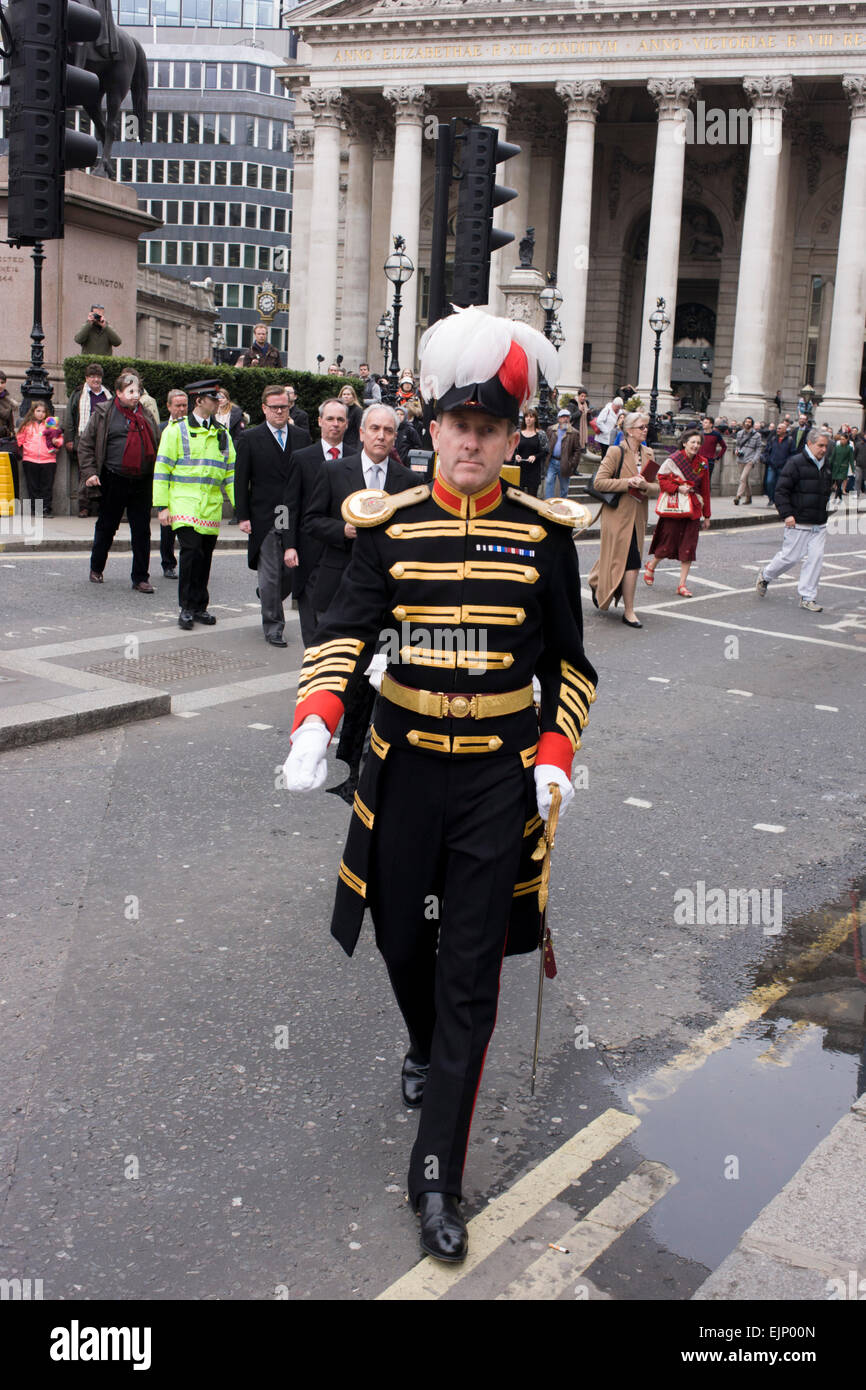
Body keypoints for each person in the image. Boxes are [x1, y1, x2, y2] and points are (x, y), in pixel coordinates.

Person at [282, 306, 598, 1264]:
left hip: (499, 781)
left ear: (512, 438)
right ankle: (422, 1041)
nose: (473, 441)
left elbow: (574, 669)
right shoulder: (391, 526)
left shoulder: (545, 537)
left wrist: (554, 752)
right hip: (407, 767)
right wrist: (315, 719)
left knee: (469, 977)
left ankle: (436, 1177)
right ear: (435, 427)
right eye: (460, 425)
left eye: (492, 429)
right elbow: (343, 629)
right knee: (398, 937)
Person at [300, 403, 416, 800]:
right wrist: (344, 530)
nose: (382, 436)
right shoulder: (334, 471)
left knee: (381, 683)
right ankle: (343, 763)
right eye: (375, 429)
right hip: (341, 591)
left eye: (389, 430)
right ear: (361, 433)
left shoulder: (408, 480)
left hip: (391, 598)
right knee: (346, 680)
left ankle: (367, 769)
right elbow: (311, 521)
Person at [153, 380, 236, 629]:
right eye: (213, 398)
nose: (218, 401)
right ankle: (186, 608)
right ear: (199, 401)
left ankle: (200, 607)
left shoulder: (222, 433)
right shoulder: (175, 431)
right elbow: (162, 468)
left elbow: (230, 473)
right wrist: (162, 506)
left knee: (204, 557)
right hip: (184, 505)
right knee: (190, 554)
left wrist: (241, 508)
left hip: (210, 507)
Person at [235, 385, 311, 647]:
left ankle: (269, 594)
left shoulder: (301, 437)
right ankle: (273, 626)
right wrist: (242, 515)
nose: (280, 411)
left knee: (290, 572)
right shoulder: (250, 438)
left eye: (284, 406)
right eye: (274, 407)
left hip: (293, 514)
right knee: (270, 574)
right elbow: (240, 479)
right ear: (264, 409)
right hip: (264, 515)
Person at [78, 370, 158, 588]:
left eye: (138, 391)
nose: (135, 395)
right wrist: (90, 472)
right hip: (114, 478)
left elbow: (157, 443)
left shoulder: (146, 415)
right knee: (106, 526)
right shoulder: (104, 412)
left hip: (141, 480)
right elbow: (85, 444)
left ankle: (141, 578)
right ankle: (96, 568)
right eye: (130, 391)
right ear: (119, 393)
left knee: (141, 530)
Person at [285, 398, 350, 646]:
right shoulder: (302, 458)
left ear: (347, 424)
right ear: (320, 421)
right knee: (312, 629)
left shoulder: (356, 458)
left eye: (340, 420)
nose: (335, 424)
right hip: (309, 554)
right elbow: (287, 506)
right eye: (330, 419)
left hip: (345, 554)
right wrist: (287, 544)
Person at [588, 411, 659, 627]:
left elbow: (657, 487)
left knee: (617, 555)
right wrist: (628, 482)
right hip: (617, 515)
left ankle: (595, 580)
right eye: (641, 427)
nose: (645, 430)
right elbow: (599, 482)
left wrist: (646, 486)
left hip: (638, 516)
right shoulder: (615, 452)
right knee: (632, 561)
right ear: (629, 431)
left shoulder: (649, 453)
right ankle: (629, 611)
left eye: (646, 427)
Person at [755, 428, 833, 612]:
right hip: (798, 520)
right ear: (809, 444)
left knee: (816, 559)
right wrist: (787, 514)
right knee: (790, 557)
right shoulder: (795, 463)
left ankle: (808, 597)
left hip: (818, 522)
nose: (824, 449)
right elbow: (781, 491)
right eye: (820, 445)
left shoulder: (826, 464)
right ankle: (765, 575)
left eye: (826, 446)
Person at [644, 427, 711, 596]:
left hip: (693, 509)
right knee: (667, 543)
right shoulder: (673, 460)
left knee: (689, 547)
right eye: (692, 442)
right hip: (675, 509)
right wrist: (678, 488)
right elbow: (661, 481)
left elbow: (705, 489)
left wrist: (707, 515)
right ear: (684, 443)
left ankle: (682, 585)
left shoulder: (703, 462)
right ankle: (651, 566)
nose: (695, 446)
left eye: (698, 443)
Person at [65, 363, 113, 517]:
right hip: (83, 438)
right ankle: (84, 506)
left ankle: (101, 506)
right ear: (87, 378)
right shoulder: (79, 394)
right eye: (92, 376)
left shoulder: (108, 395)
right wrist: (70, 439)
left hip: (104, 440)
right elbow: (69, 418)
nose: (96, 380)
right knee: (85, 472)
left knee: (103, 473)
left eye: (98, 377)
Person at [157, 389, 189, 578]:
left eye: (185, 405)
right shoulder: (161, 428)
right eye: (178, 405)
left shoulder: (193, 428)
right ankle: (168, 563)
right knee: (167, 528)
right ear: (169, 406)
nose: (182, 409)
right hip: (167, 485)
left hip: (186, 486)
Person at [17, 402, 64, 518]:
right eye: (38, 411)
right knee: (33, 486)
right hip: (30, 459)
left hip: (48, 459)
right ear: (33, 412)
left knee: (46, 486)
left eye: (43, 411)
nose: (41, 414)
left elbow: (59, 438)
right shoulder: (27, 425)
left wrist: (56, 443)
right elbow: (19, 439)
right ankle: (37, 509)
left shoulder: (50, 424)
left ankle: (46, 508)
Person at [544, 406, 580, 498]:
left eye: (567, 417)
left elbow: (577, 450)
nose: (565, 419)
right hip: (552, 461)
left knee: (564, 487)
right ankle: (549, 504)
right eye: (563, 417)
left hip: (564, 463)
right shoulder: (551, 429)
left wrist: (572, 464)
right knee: (548, 482)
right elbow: (546, 444)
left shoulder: (574, 433)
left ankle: (563, 505)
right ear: (559, 419)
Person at [514, 405, 548, 496]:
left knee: (532, 498)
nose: (528, 419)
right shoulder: (518, 433)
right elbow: (512, 449)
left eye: (531, 417)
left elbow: (545, 451)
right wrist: (516, 455)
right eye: (526, 417)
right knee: (518, 497)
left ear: (535, 419)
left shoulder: (541, 434)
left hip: (534, 471)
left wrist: (535, 456)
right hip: (520, 469)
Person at [762, 422, 796, 508]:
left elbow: (793, 453)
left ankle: (777, 500)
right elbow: (766, 451)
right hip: (772, 465)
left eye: (780, 428)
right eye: (777, 428)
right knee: (769, 482)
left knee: (779, 485)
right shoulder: (773, 439)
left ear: (785, 430)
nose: (777, 430)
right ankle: (771, 498)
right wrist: (768, 459)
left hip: (783, 466)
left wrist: (787, 462)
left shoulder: (790, 440)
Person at [732, 416, 763, 504]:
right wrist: (736, 451)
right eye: (746, 422)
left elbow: (759, 448)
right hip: (740, 459)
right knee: (745, 479)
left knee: (742, 478)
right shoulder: (739, 433)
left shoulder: (757, 435)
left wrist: (754, 460)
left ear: (752, 424)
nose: (747, 423)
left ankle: (738, 497)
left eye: (749, 422)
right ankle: (749, 497)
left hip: (750, 460)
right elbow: (737, 445)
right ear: (743, 423)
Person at [0, 370, 21, 502]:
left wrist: (12, 435)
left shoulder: (8, 402)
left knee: (5, 476)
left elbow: (12, 424)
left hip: (4, 441)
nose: (0, 385)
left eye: (2, 382)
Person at [696, 415, 726, 490]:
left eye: (706, 422)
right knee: (698, 477)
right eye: (703, 422)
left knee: (707, 478)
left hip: (709, 461)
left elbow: (724, 447)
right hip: (699, 460)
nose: (703, 424)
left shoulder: (716, 434)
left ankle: (707, 496)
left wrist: (718, 457)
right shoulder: (700, 434)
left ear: (711, 424)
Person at [828, 431, 854, 506]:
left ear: (846, 439)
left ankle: (836, 498)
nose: (841, 440)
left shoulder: (849, 448)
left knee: (839, 483)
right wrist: (828, 465)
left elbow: (851, 459)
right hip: (836, 468)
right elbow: (832, 457)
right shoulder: (837, 447)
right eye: (840, 439)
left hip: (843, 468)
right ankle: (840, 497)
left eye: (843, 439)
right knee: (835, 483)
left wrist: (853, 469)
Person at [338, 384, 363, 455]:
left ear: (353, 396)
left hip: (352, 446)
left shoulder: (358, 411)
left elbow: (361, 430)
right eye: (344, 394)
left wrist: (359, 450)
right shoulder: (339, 410)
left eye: (348, 394)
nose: (346, 396)